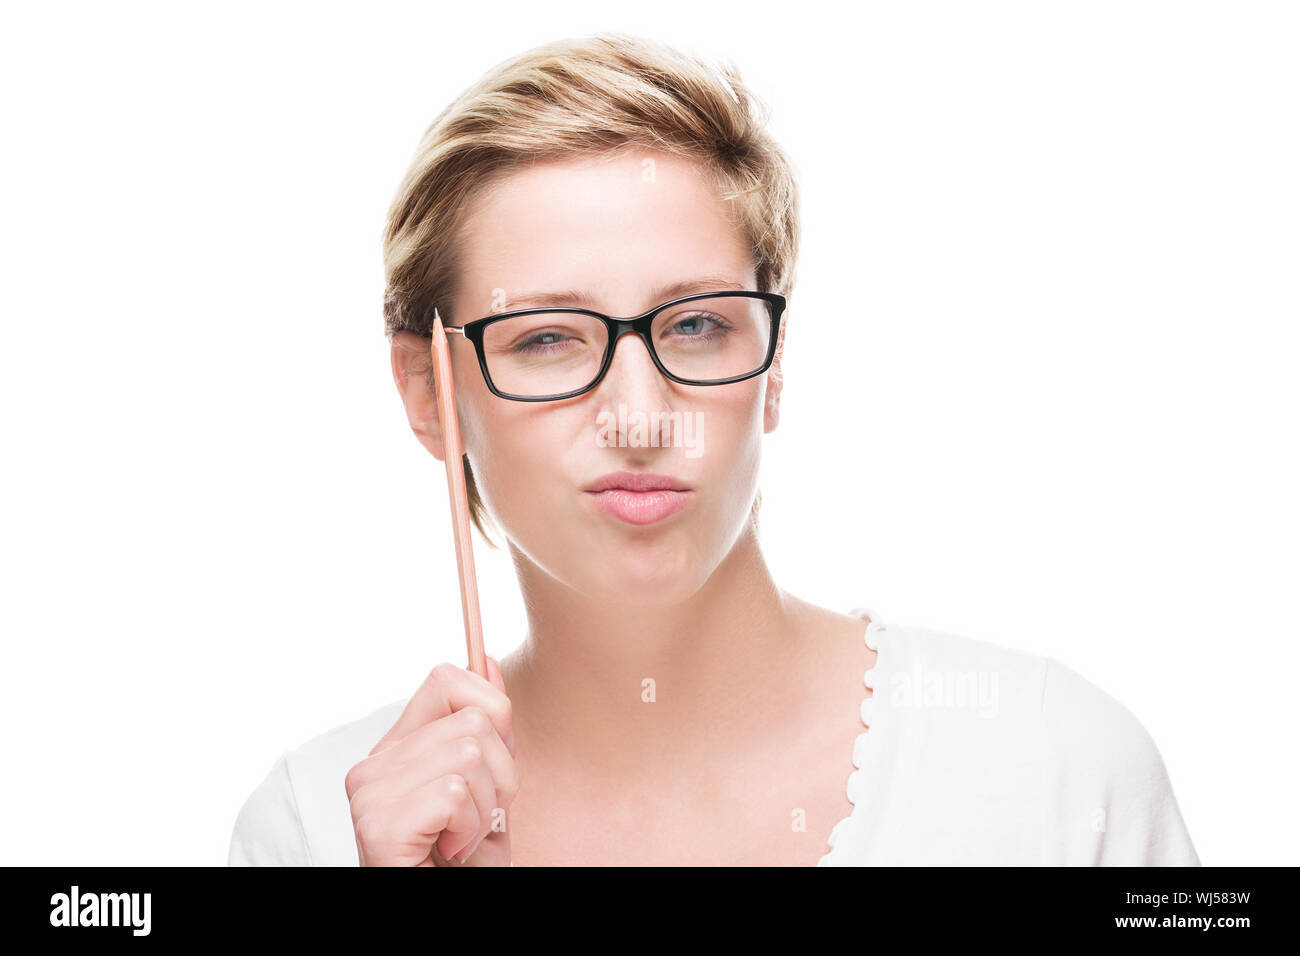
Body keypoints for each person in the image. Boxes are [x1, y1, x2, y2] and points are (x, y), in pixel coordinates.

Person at [227, 32, 1199, 867]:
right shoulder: (318, 824)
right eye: (547, 338)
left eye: (695, 326)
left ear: (772, 363)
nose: (641, 417)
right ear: (430, 395)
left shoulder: (1056, 762)